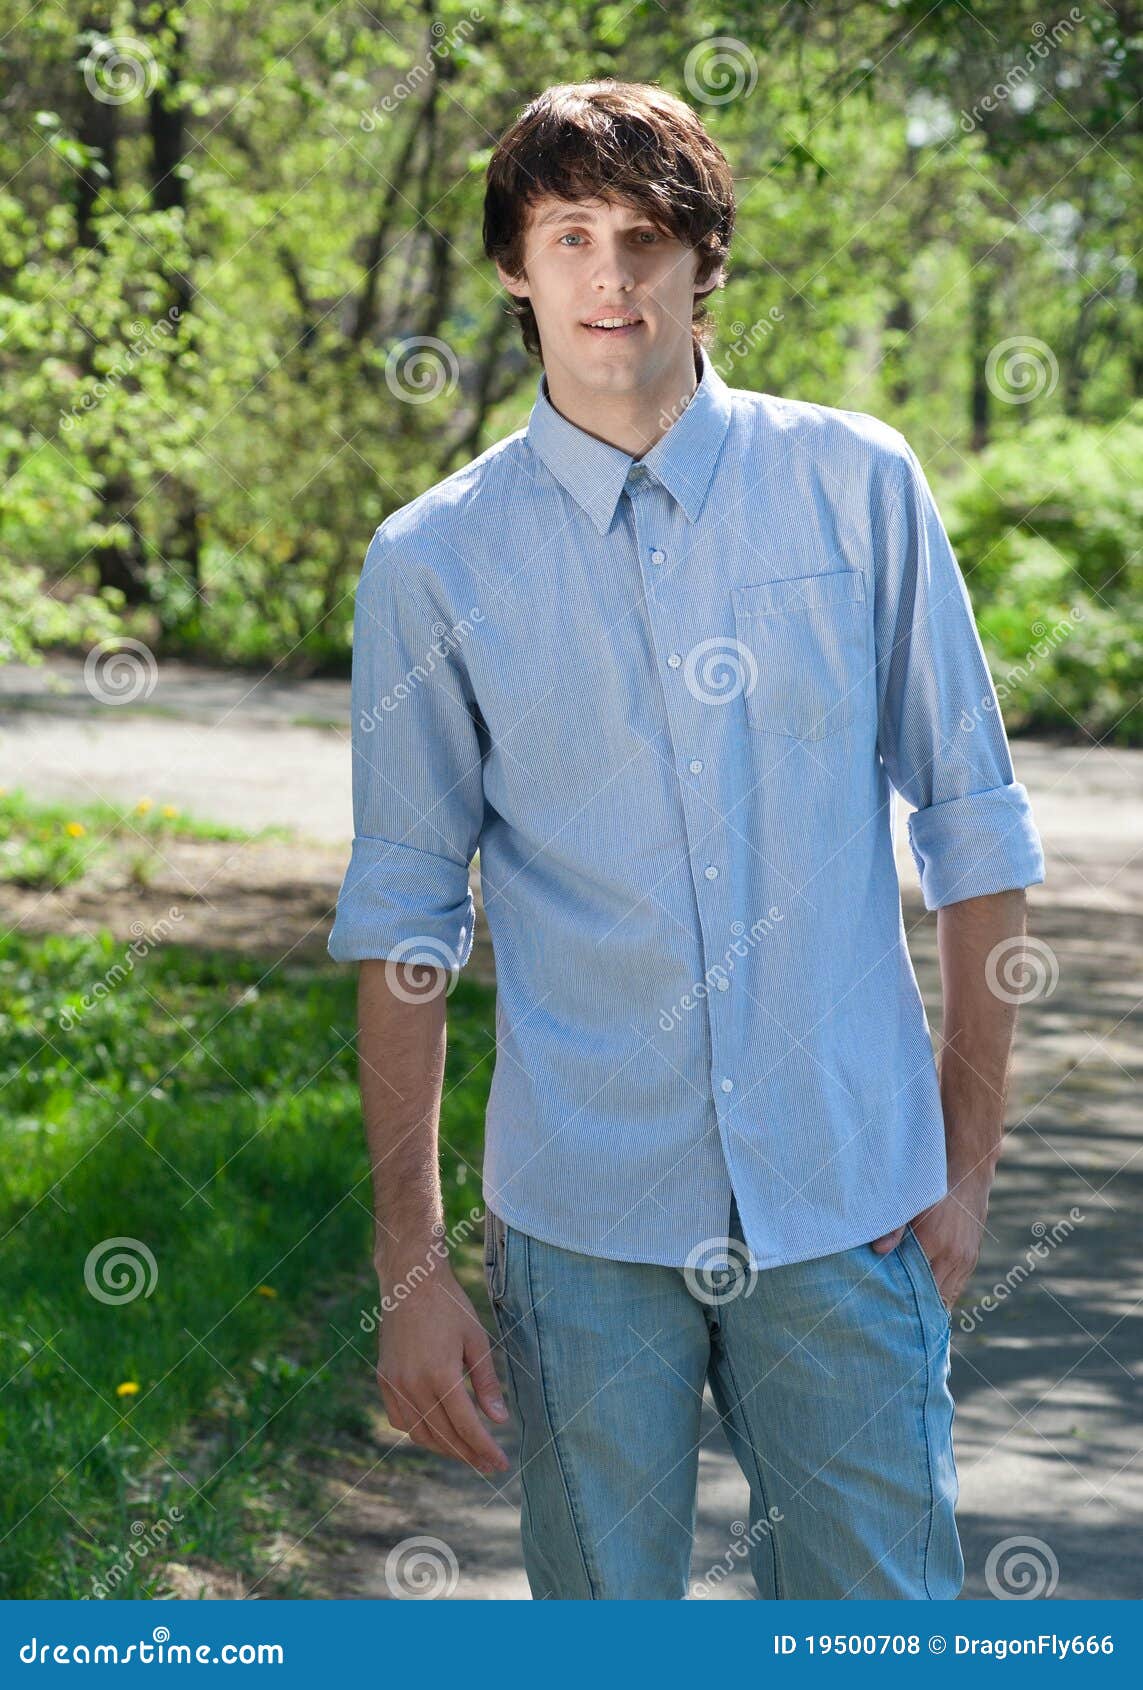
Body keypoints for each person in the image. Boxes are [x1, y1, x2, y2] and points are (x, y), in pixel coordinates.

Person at [328, 79, 1046, 1600]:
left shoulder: (857, 485)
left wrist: (965, 1163)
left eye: (646, 237)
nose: (610, 274)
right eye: (568, 234)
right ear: (516, 269)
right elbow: (404, 919)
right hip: (580, 1231)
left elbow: (977, 835)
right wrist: (414, 1266)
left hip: (848, 1208)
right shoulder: (432, 559)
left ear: (701, 263)